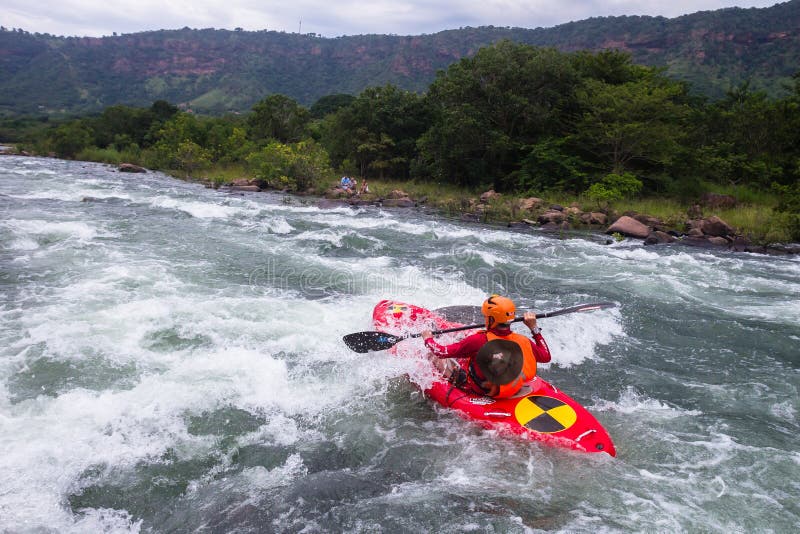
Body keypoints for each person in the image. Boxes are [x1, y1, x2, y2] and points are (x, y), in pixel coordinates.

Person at [421, 295, 551, 398]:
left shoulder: (478, 340)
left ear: (492, 320)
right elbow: (546, 356)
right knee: (473, 352)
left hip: (482, 389)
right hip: (514, 387)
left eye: (486, 317)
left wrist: (428, 339)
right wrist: (534, 328)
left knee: (433, 356)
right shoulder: (523, 340)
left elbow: (441, 352)